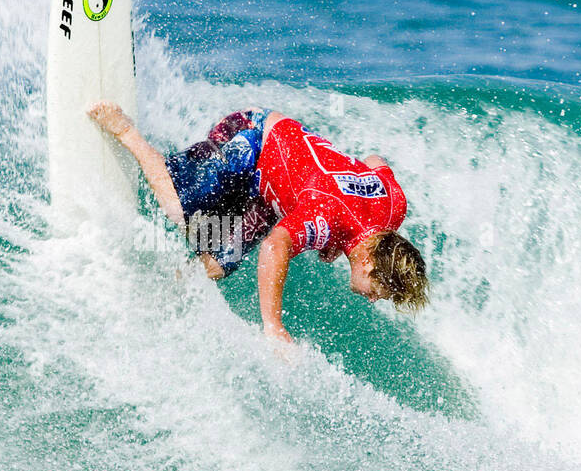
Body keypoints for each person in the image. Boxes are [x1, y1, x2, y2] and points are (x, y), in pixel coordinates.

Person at [86, 101, 429, 342]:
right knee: (178, 209)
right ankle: (125, 130)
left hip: (272, 195)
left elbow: (373, 161)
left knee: (216, 266)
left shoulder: (393, 208)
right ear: (369, 263)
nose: (375, 300)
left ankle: (157, 298)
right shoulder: (325, 216)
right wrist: (273, 326)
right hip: (253, 136)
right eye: (380, 293)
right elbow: (274, 245)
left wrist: (344, 241)